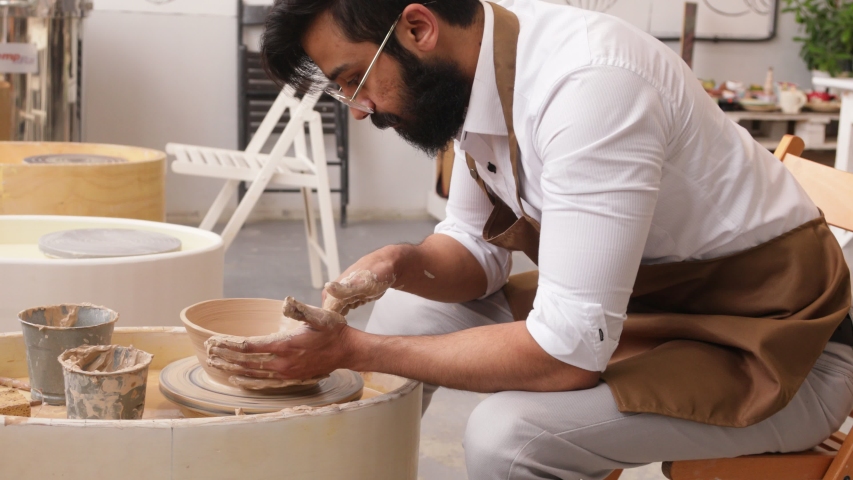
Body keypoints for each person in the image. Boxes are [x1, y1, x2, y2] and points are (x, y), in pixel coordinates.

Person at [205, 1, 853, 478]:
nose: (358, 107)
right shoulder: (482, 70)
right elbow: (472, 250)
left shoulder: (589, 87)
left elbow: (566, 354)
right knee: (410, 305)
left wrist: (357, 351)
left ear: (416, 27)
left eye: (353, 78)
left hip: (780, 354)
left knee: (508, 438)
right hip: (653, 315)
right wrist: (400, 262)